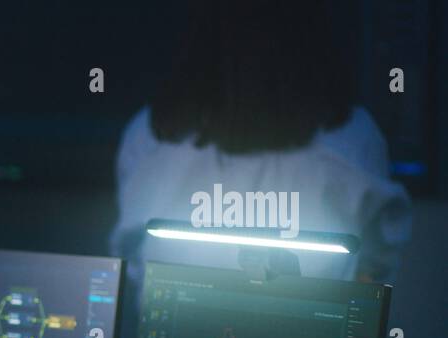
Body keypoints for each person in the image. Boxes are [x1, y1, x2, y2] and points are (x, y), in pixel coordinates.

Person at [109, 0, 411, 284]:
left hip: (186, 333)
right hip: (305, 334)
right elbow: (375, 273)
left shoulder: (149, 134)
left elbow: (133, 264)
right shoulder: (354, 138)